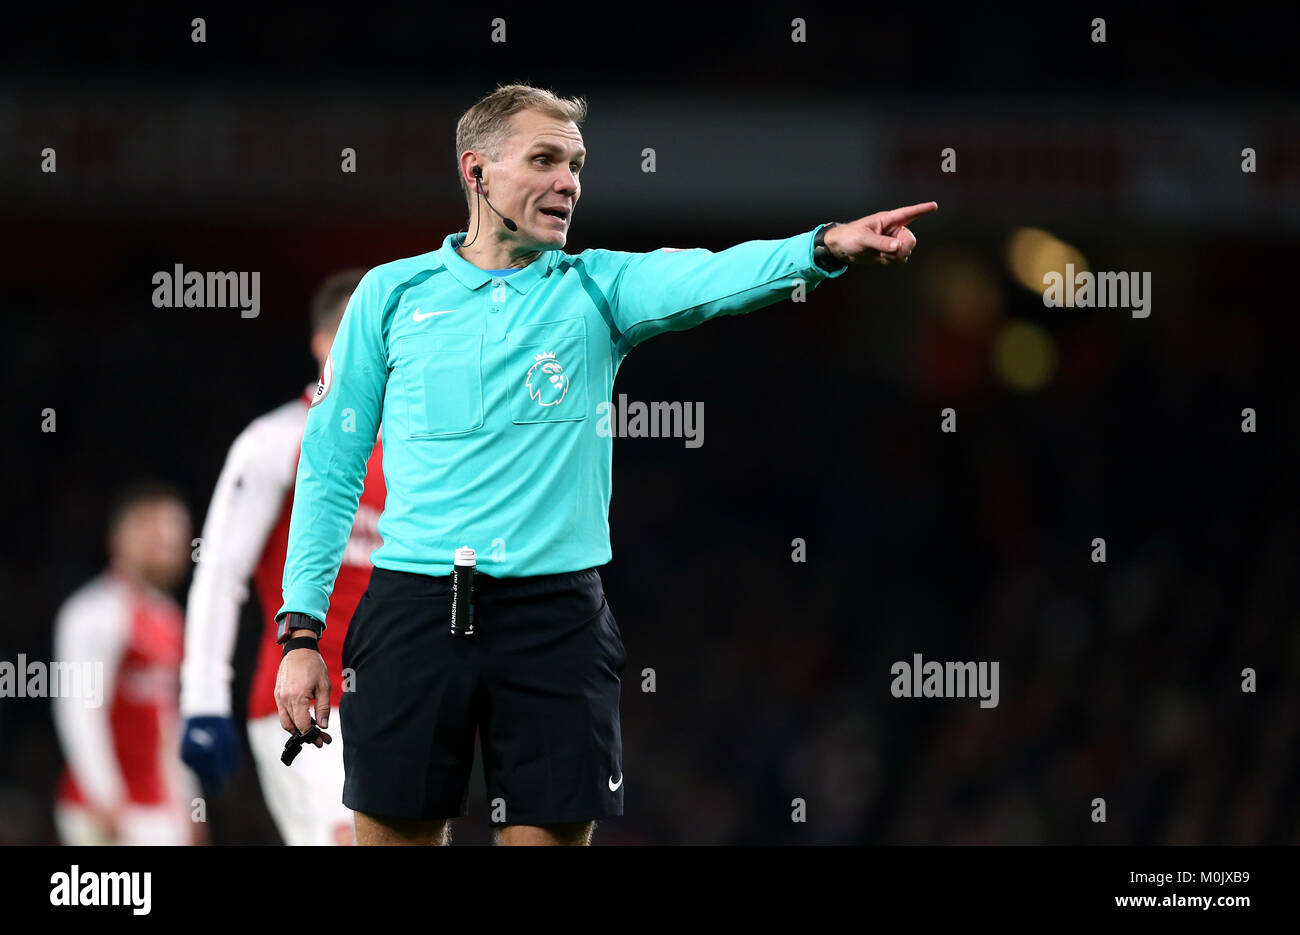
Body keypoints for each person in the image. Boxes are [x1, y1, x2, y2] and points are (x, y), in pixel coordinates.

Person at [275, 83, 936, 846]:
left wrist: (823, 247)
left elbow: (711, 277)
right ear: (477, 172)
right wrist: (301, 635)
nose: (569, 182)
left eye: (578, 165)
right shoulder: (391, 295)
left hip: (555, 621)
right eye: (546, 159)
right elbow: (330, 464)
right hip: (413, 615)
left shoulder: (597, 288)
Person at [180, 270, 382, 845]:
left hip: (391, 709)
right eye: (356, 331)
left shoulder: (415, 457)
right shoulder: (276, 441)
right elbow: (220, 573)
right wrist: (203, 702)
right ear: (322, 344)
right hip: (304, 706)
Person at [52, 482, 199, 845]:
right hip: (104, 808)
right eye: (155, 532)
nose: (168, 543)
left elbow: (169, 721)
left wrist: (186, 802)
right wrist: (105, 797)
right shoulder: (91, 613)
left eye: (175, 534)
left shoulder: (169, 619)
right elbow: (78, 710)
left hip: (158, 811)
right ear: (122, 536)